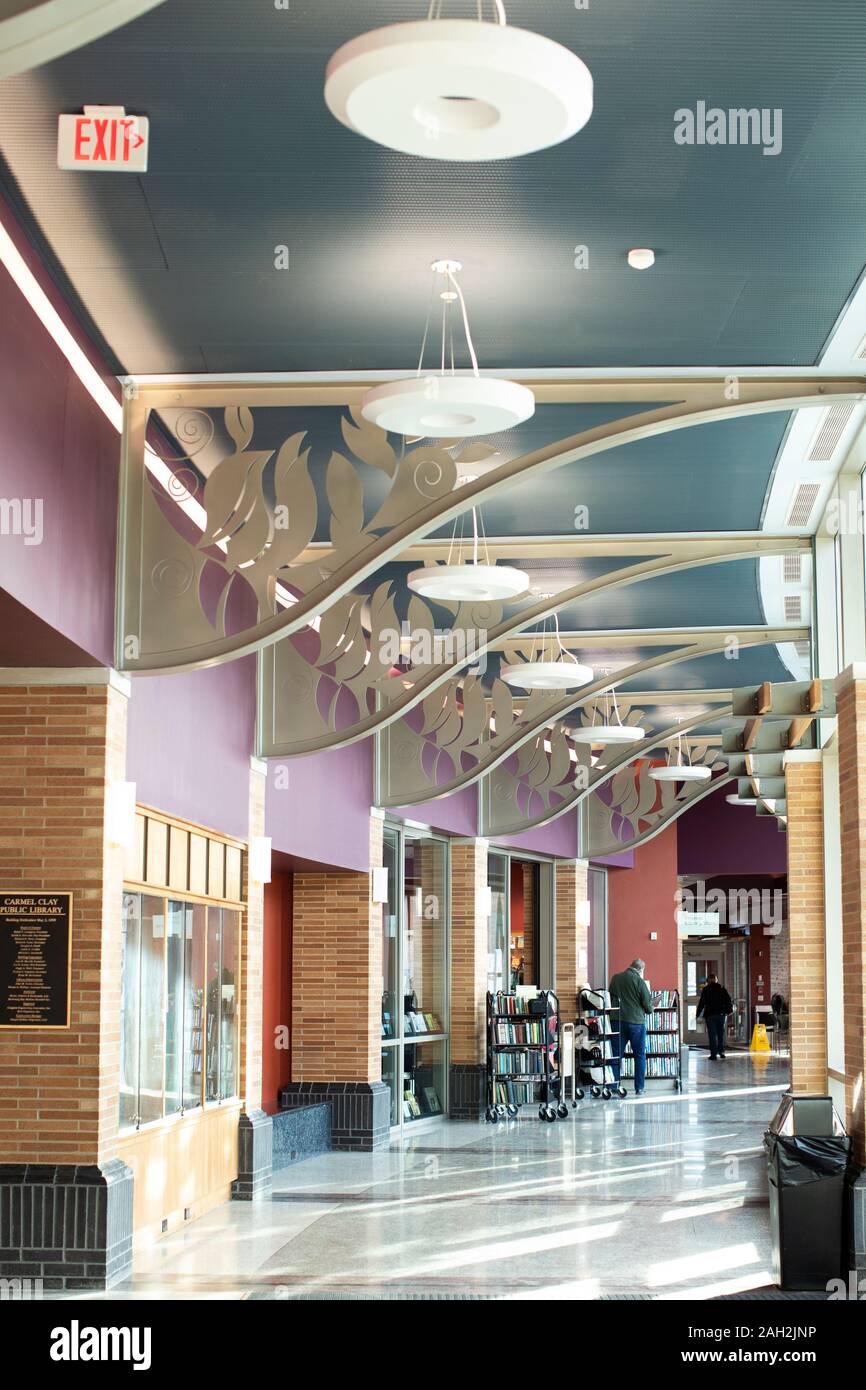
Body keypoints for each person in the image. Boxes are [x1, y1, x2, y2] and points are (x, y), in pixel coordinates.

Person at [609, 957, 653, 1096]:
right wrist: (652, 1006)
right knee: (639, 1055)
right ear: (641, 969)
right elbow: (648, 1007)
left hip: (617, 1020)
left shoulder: (616, 978)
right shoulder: (640, 981)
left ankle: (613, 1085)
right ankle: (639, 1088)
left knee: (616, 1054)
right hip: (636, 1022)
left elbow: (611, 997)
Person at [696, 973, 733, 1060]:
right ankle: (721, 1052)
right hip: (721, 1014)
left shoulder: (706, 989)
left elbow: (702, 1002)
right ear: (716, 980)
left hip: (710, 1015)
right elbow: (728, 1000)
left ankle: (713, 1054)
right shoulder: (722, 988)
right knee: (720, 1033)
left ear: (708, 981)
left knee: (712, 1035)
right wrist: (728, 1011)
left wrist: (698, 1014)